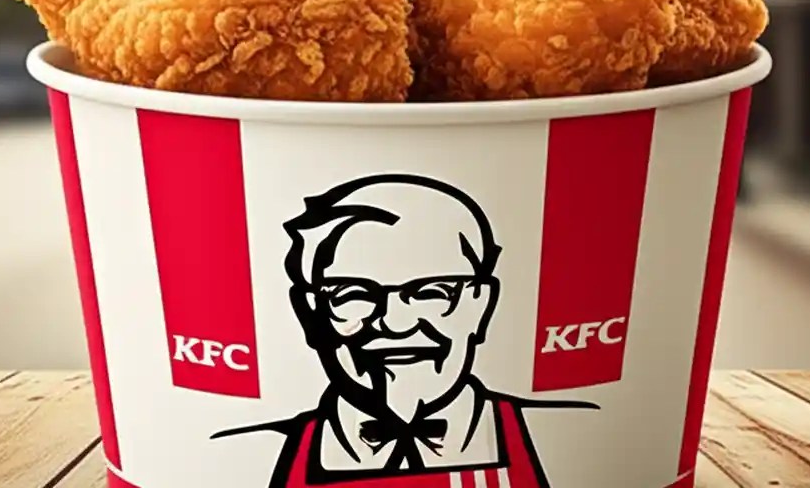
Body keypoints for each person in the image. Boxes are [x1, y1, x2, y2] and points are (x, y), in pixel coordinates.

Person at [215, 175, 596, 488]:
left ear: (480, 305)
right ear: (310, 314)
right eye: (354, 295)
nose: (396, 324)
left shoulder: (569, 434)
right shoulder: (247, 453)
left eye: (432, 292)